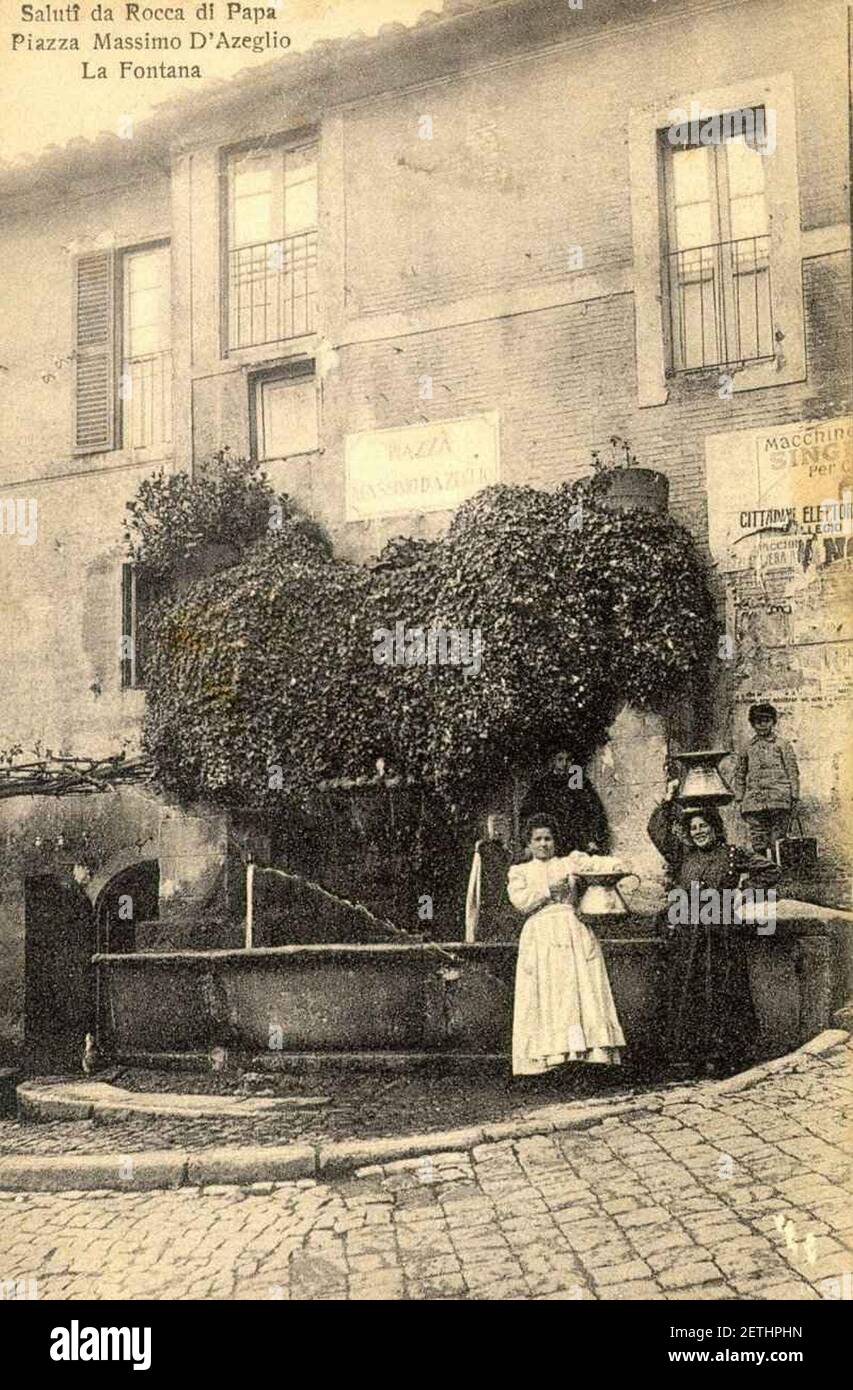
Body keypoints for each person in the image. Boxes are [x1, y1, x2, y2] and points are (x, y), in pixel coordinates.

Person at [648, 779, 780, 1077]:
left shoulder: (733, 854)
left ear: (714, 827)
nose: (699, 832)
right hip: (689, 937)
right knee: (690, 993)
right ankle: (693, 1058)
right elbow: (656, 831)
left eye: (703, 826)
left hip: (722, 936)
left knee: (723, 992)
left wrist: (742, 893)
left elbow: (771, 871)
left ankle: (726, 1056)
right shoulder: (682, 855)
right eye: (693, 828)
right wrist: (668, 801)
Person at [506, 815, 626, 1077]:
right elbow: (521, 902)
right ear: (529, 843)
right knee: (548, 994)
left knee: (578, 990)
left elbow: (603, 864)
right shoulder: (520, 872)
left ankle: (585, 1056)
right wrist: (549, 890)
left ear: (555, 841)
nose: (543, 844)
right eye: (537, 839)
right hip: (540, 933)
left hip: (572, 928)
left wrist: (613, 864)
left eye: (548, 838)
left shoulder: (569, 863)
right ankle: (549, 1059)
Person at [733, 702, 800, 858]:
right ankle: (763, 871)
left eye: (766, 720)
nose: (762, 725)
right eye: (757, 721)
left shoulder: (782, 745)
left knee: (778, 839)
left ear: (773, 722)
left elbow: (792, 771)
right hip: (754, 803)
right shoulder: (747, 747)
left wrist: (794, 796)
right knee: (758, 840)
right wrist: (739, 798)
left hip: (779, 800)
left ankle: (779, 871)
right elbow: (740, 773)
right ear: (752, 724)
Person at [519, 750, 610, 855]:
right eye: (560, 760)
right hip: (551, 843)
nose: (564, 764)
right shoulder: (542, 785)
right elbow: (527, 814)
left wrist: (593, 839)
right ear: (553, 761)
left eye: (568, 760)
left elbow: (595, 811)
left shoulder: (580, 783)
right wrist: (527, 844)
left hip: (577, 843)